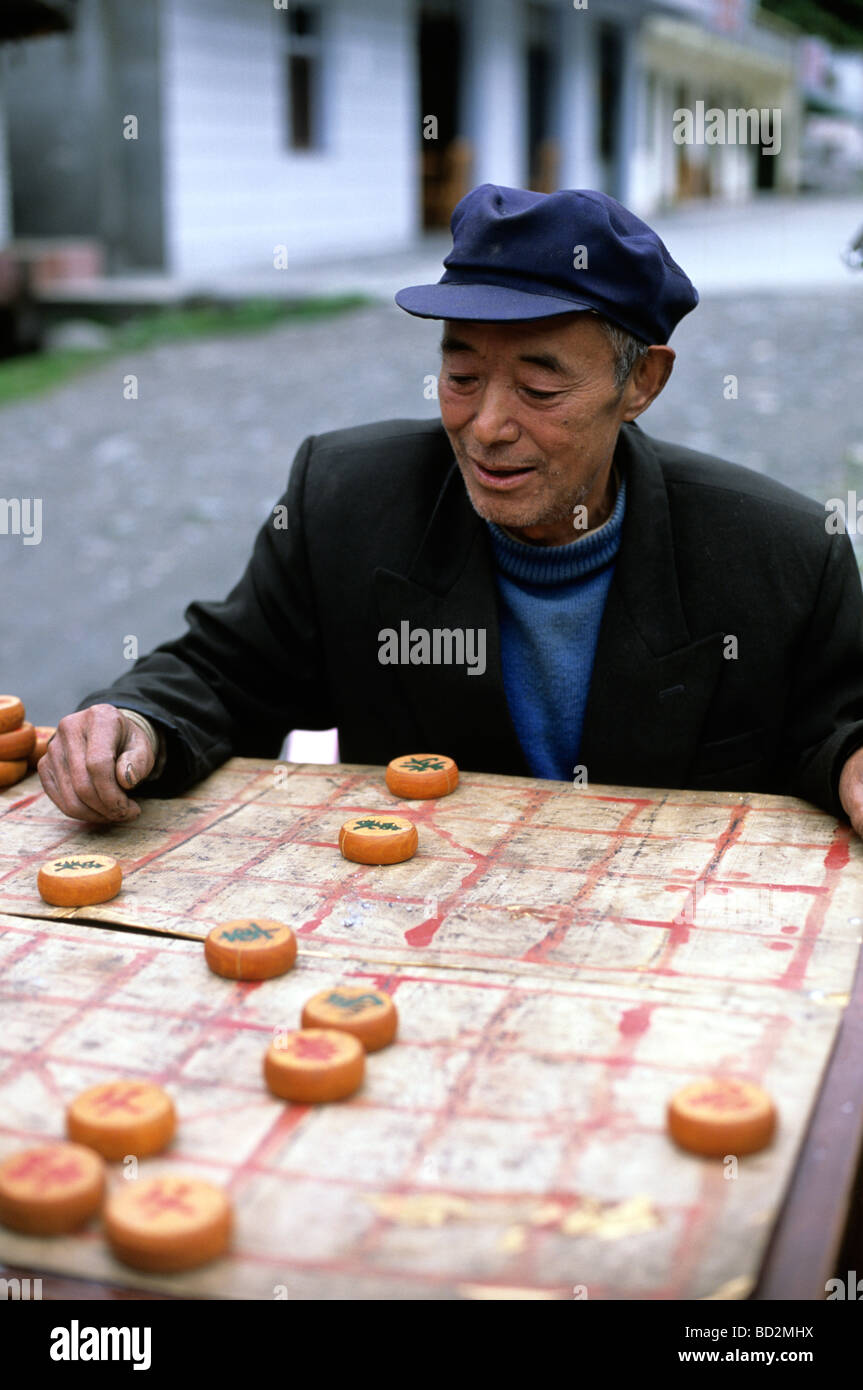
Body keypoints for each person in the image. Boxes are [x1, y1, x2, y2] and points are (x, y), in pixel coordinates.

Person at [38, 184, 863, 835]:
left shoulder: (779, 552)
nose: (487, 426)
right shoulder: (347, 500)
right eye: (461, 377)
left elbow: (833, 724)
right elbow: (223, 672)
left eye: (540, 388)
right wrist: (137, 721)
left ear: (641, 383)